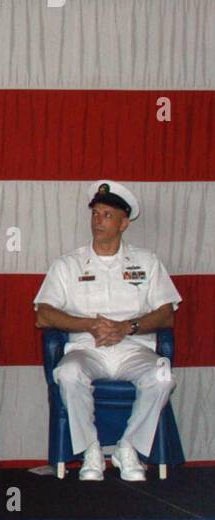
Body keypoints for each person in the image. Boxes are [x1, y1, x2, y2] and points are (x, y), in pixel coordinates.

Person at [35, 180, 180, 482]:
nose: (98, 221)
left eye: (107, 215)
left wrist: (128, 327)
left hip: (134, 348)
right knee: (68, 373)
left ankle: (128, 449)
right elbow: (44, 316)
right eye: (95, 214)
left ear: (124, 223)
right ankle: (91, 450)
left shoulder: (147, 262)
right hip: (87, 348)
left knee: (163, 375)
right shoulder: (68, 264)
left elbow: (167, 314)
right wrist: (88, 324)